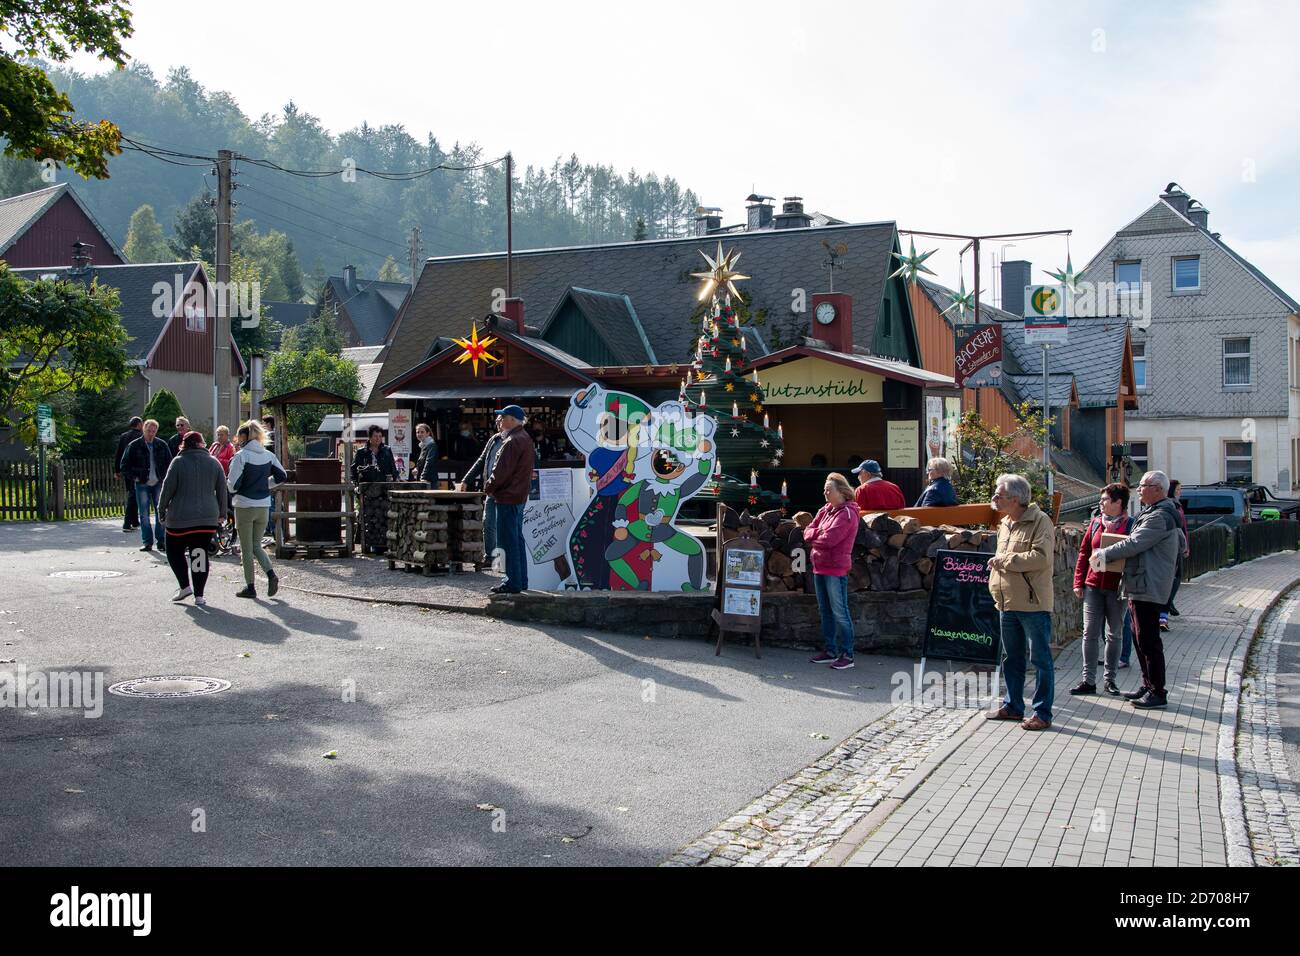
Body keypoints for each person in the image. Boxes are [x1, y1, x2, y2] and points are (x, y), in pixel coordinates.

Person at [1091, 470, 1185, 710]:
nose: (1139, 489)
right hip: (1141, 582)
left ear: (1157, 489)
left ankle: (1157, 691)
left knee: (1148, 639)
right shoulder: (1156, 512)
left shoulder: (1160, 516)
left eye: (1143, 486)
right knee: (1139, 637)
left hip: (1148, 584)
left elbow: (1135, 542)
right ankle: (1148, 685)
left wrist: (1104, 553)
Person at [985, 474, 1056, 731]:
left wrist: (1003, 562)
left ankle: (1042, 713)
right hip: (1007, 603)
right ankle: (1014, 706)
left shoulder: (1040, 521)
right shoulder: (1005, 523)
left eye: (999, 494)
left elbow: (1040, 558)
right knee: (1011, 658)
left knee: (1040, 660)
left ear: (1015, 499)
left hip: (1032, 604)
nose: (994, 498)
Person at [1071, 483, 1134, 697]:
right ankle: (1088, 680)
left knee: (1114, 634)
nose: (1101, 503)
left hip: (1117, 588)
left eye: (1106, 499)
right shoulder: (1096, 523)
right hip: (1093, 585)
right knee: (1089, 632)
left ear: (1118, 503)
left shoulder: (1132, 525)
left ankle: (1110, 680)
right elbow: (1083, 553)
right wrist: (1078, 582)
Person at [158, 431, 228, 606]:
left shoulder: (178, 462)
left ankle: (184, 586)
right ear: (202, 444)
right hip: (207, 518)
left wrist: (161, 509)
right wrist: (221, 514)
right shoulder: (214, 462)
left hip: (180, 517)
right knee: (199, 554)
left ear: (184, 445)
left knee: (174, 551)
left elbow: (167, 489)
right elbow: (222, 490)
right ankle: (199, 595)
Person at [803, 472, 861, 671]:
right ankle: (830, 650)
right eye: (825, 490)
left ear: (842, 492)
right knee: (825, 610)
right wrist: (818, 533)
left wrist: (816, 536)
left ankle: (848, 654)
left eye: (829, 490)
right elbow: (808, 531)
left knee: (839, 612)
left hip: (835, 569)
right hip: (820, 566)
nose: (825, 493)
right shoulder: (826, 509)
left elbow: (830, 540)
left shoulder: (847, 513)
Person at [227, 420, 287, 600]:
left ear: (245, 436)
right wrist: (265, 485)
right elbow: (282, 476)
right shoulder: (268, 455)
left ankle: (250, 586)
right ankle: (270, 574)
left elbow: (233, 486)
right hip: (263, 505)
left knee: (246, 548)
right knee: (256, 545)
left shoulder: (241, 456)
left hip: (245, 505)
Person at [483, 405, 536, 594]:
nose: (500, 420)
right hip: (519, 496)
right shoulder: (525, 438)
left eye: (504, 417)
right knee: (517, 540)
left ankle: (512, 581)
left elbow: (500, 473)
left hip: (507, 497)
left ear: (513, 420)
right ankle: (520, 580)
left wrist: (488, 488)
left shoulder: (512, 441)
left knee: (507, 541)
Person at [457, 417, 507, 564]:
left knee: (506, 524)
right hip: (491, 488)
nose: (499, 425)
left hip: (507, 489)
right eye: (498, 422)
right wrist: (466, 479)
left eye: (502, 422)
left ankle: (504, 557)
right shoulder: (493, 440)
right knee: (488, 522)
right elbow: (481, 460)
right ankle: (490, 557)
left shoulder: (515, 440)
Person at [121, 419, 172, 552]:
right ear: (143, 429)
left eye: (154, 431)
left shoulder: (161, 445)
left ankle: (161, 541)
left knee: (160, 512)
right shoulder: (134, 445)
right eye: (149, 431)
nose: (151, 433)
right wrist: (135, 477)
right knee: (143, 514)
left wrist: (165, 478)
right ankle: (147, 542)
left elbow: (170, 463)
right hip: (142, 483)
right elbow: (124, 465)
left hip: (158, 482)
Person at [1160, 479, 1190, 631]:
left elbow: (1183, 529)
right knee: (1173, 581)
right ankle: (1163, 615)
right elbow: (1179, 529)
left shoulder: (1176, 505)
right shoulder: (1171, 506)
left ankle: (1166, 610)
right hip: (1172, 550)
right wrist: (1184, 546)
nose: (1180, 492)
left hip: (1178, 548)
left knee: (1175, 581)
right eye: (1178, 489)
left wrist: (1186, 546)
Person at [114, 416, 143, 532]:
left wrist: (117, 470)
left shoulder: (124, 436)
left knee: (133, 494)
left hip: (126, 470)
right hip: (137, 470)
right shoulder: (140, 437)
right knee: (133, 496)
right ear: (139, 424)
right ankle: (127, 523)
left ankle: (135, 521)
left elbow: (119, 454)